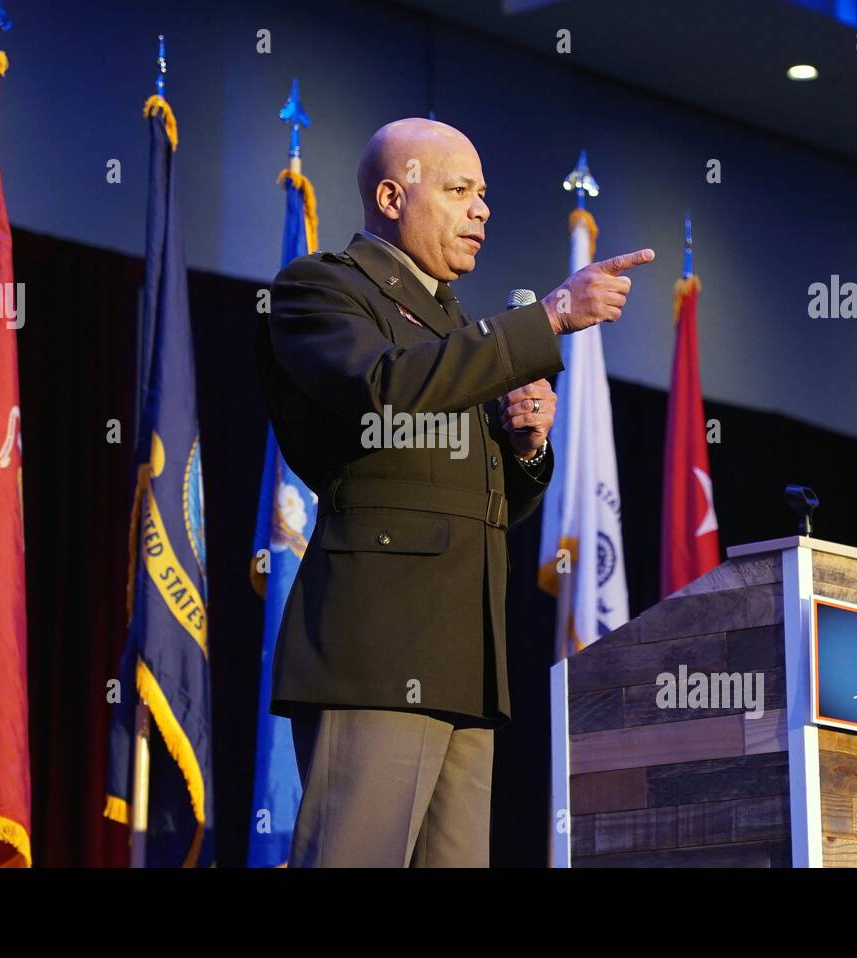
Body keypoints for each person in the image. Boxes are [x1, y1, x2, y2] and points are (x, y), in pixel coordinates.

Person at [255, 117, 654, 866]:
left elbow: (477, 500)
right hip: (378, 646)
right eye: (459, 190)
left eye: (484, 194)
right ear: (390, 196)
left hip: (467, 658)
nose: (482, 209)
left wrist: (526, 448)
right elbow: (383, 389)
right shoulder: (322, 288)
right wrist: (551, 317)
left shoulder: (456, 328)